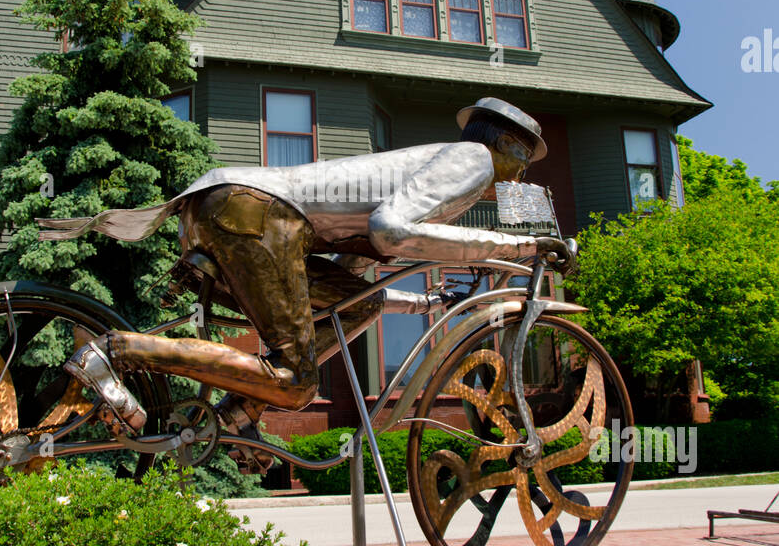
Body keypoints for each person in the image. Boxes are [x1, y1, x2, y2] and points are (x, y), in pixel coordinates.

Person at [37, 96, 573, 451]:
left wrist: (420, 304)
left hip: (235, 209)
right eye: (523, 162)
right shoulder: (472, 161)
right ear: (507, 147)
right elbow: (391, 230)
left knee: (357, 306)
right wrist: (523, 245)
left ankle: (239, 411)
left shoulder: (443, 162)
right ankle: (113, 353)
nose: (521, 175)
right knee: (296, 384)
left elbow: (356, 278)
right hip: (259, 213)